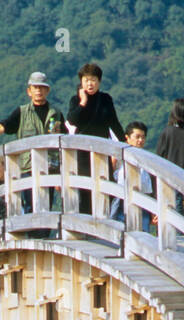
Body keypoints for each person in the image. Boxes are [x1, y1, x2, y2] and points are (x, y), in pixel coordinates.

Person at [0, 71, 65, 219]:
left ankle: (42, 231)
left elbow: (64, 140)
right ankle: (32, 231)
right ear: (29, 91)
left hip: (50, 166)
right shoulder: (22, 113)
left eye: (42, 88)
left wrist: (62, 171)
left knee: (46, 206)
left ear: (47, 90)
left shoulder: (56, 113)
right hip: (28, 167)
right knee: (30, 205)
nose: (39, 91)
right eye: (35, 88)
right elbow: (4, 125)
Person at [66, 62, 125, 215]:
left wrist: (125, 144)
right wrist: (83, 102)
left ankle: (102, 220)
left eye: (93, 80)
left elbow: (114, 123)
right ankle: (86, 223)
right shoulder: (75, 100)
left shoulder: (105, 99)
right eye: (86, 80)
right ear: (81, 82)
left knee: (107, 189)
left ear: (99, 82)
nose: (90, 84)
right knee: (85, 192)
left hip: (102, 151)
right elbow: (72, 120)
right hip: (82, 154)